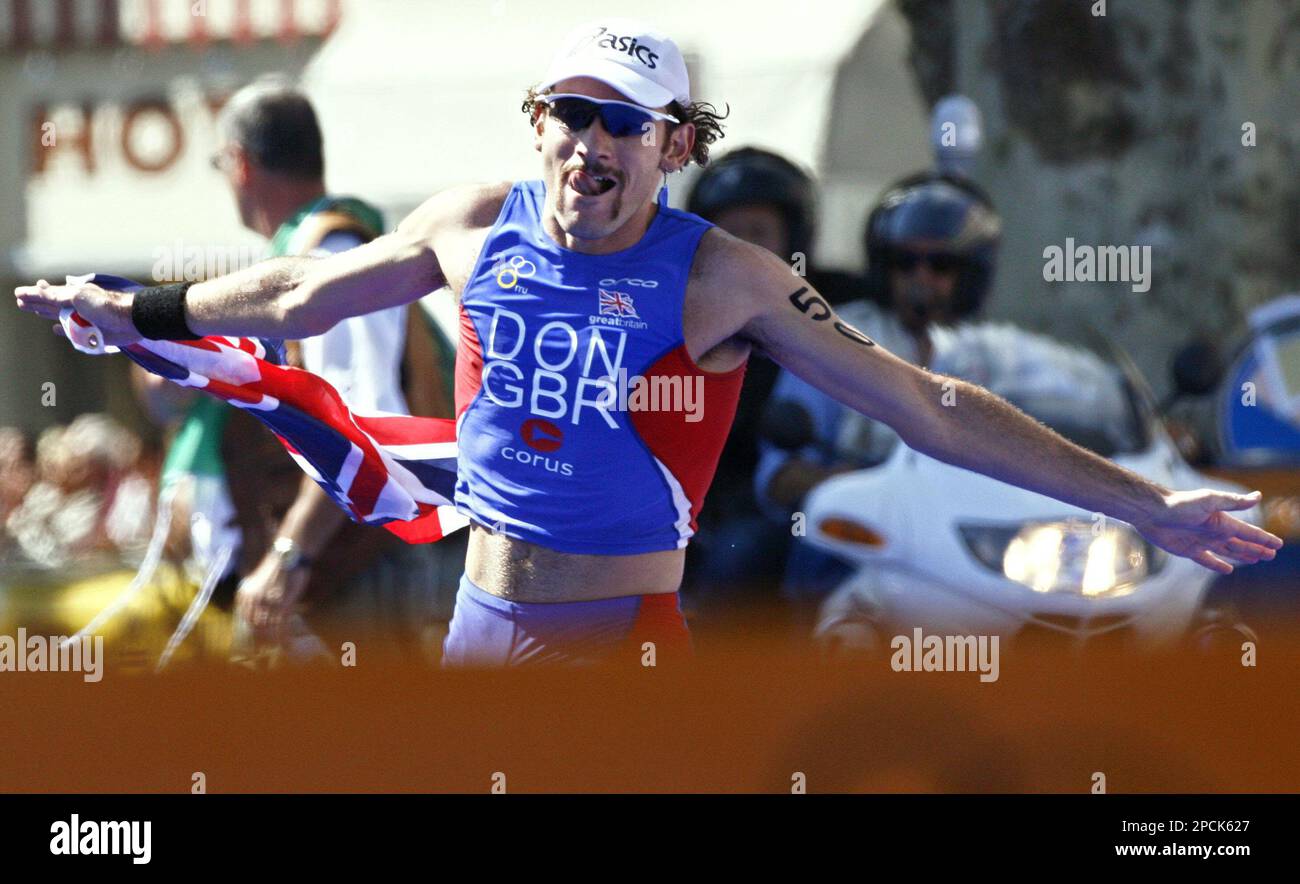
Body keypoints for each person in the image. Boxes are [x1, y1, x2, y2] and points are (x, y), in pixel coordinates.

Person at [15, 19, 1282, 667]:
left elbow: (931, 405)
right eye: (571, 115)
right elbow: (299, 292)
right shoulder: (472, 226)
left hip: (615, 644)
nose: (591, 145)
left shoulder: (722, 277)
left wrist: (1150, 503)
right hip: (470, 627)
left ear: (676, 145)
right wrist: (146, 309)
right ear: (538, 125)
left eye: (625, 124)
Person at [136, 81, 459, 663]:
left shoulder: (329, 254)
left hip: (353, 576)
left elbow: (361, 427)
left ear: (239, 163)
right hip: (330, 574)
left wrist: (289, 555)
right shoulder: (314, 251)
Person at [755, 173, 1002, 615]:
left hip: (975, 557)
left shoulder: (1002, 353)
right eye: (904, 262)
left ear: (971, 275)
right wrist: (851, 489)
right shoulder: (833, 333)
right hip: (853, 554)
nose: (920, 278)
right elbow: (777, 477)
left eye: (940, 265)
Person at [682, 147, 860, 621]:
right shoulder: (669, 316)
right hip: (688, 516)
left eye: (758, 234)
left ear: (795, 239)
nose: (741, 252)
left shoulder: (841, 306)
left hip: (793, 511)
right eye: (728, 236)